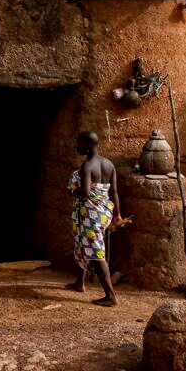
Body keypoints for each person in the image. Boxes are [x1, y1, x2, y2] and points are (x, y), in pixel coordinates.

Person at [66, 130, 121, 306]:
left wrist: (71, 190)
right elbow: (113, 192)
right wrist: (118, 214)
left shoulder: (87, 166)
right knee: (84, 243)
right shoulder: (109, 164)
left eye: (80, 144)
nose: (77, 147)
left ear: (88, 146)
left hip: (91, 214)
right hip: (104, 211)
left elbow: (85, 192)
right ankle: (79, 282)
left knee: (96, 253)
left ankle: (110, 296)